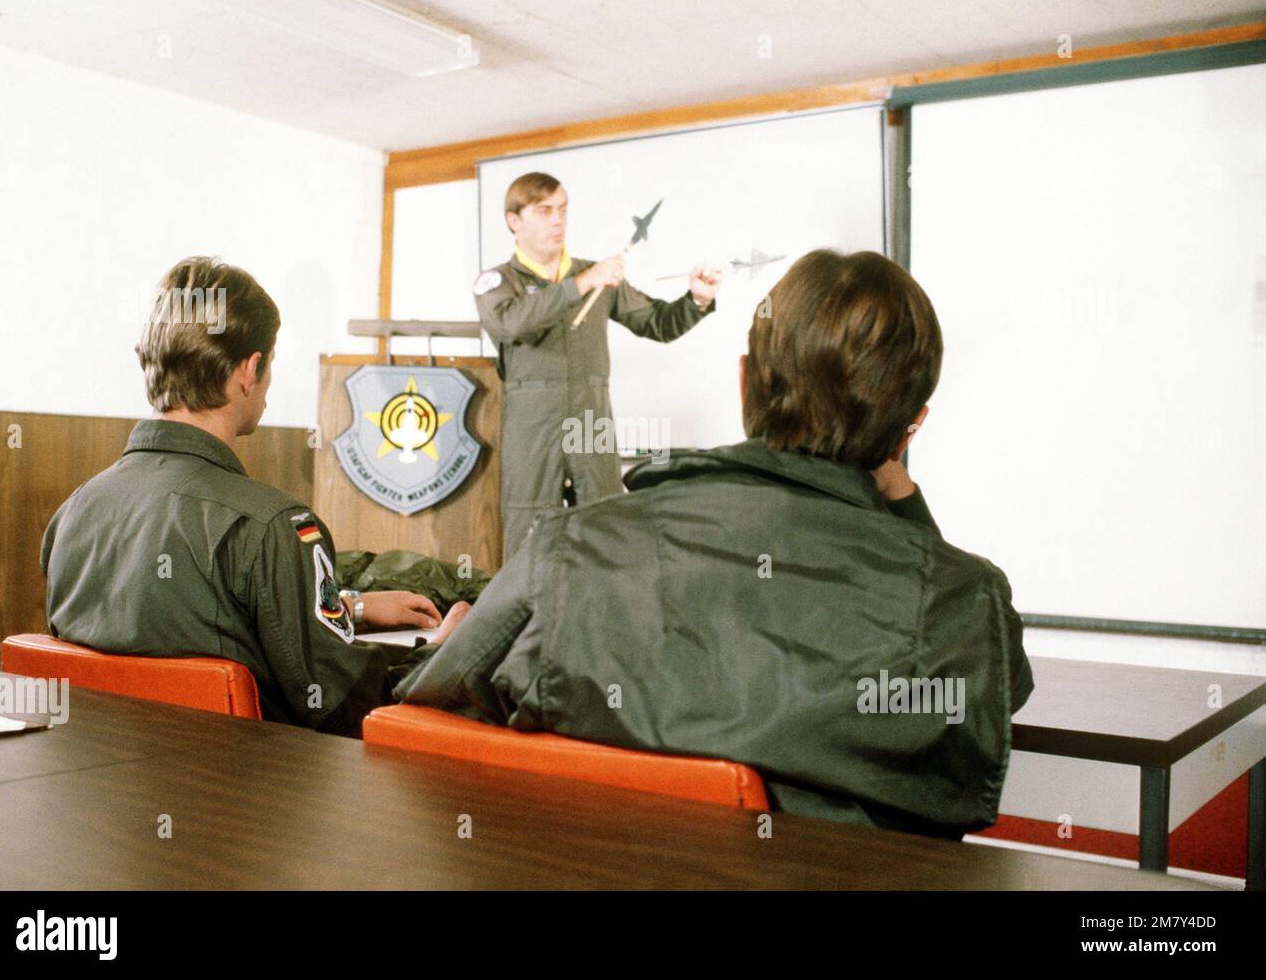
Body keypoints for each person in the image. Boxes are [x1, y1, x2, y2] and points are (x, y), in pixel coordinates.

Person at [396, 248, 1035, 839]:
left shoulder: (566, 548)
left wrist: (454, 643)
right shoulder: (963, 600)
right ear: (912, 426)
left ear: (744, 382)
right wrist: (898, 484)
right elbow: (985, 720)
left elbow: (424, 718)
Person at [40, 257, 468, 736]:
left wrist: (351, 605)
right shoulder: (274, 526)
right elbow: (346, 708)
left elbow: (177, 618)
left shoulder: (73, 513)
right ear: (251, 369)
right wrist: (445, 652)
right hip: (248, 798)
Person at [474, 172, 721, 557]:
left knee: (604, 524)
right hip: (532, 423)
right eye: (544, 211)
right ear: (514, 220)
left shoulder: (597, 277)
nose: (557, 220)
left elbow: (657, 323)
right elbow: (511, 323)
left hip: (591, 418)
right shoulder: (497, 282)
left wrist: (697, 300)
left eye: (562, 209)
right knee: (528, 529)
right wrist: (581, 284)